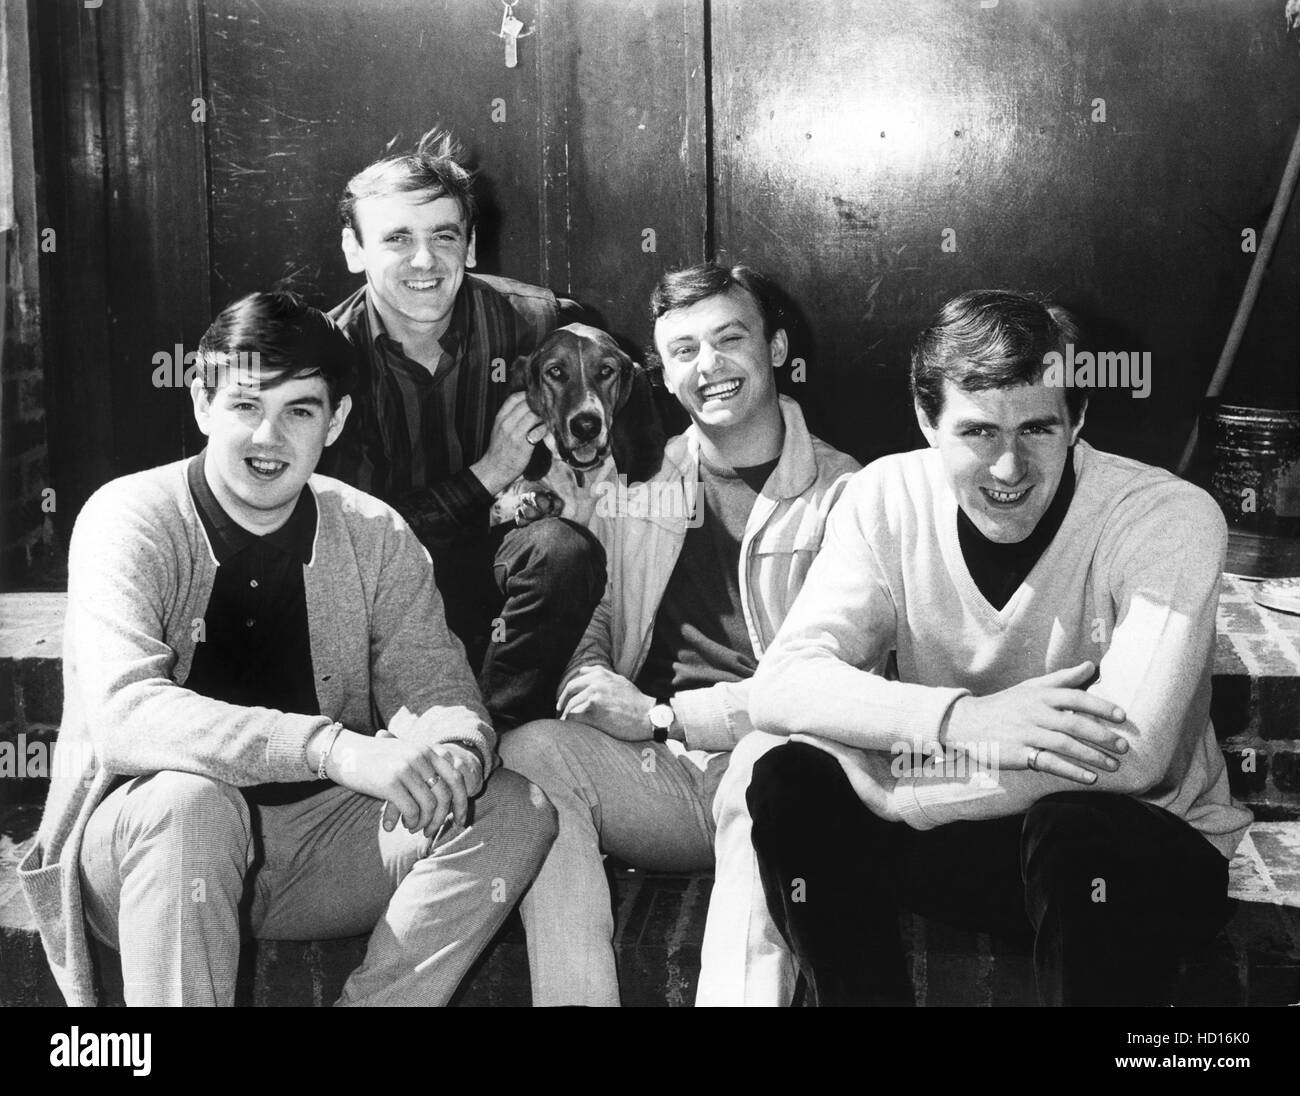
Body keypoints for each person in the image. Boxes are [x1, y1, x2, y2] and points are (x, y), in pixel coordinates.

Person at [697, 289, 1252, 1007]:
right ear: (928, 420)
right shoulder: (884, 497)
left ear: (1079, 418)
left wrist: (905, 793)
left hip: (1141, 857)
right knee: (787, 778)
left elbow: (1133, 756)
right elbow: (783, 684)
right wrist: (963, 721)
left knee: (1074, 828)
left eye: (1038, 429)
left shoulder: (1166, 515)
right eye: (979, 433)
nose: (1009, 468)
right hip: (977, 842)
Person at [18, 291, 557, 1007]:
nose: (267, 437)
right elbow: (127, 717)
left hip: (319, 849)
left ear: (334, 422)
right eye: (245, 405)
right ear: (202, 403)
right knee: (192, 801)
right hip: (148, 851)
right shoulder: (130, 518)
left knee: (513, 804)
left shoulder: (373, 531)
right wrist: (333, 748)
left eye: (299, 410)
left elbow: (442, 694)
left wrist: (453, 750)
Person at [499, 262, 860, 1005]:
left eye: (731, 339)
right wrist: (588, 682)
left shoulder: (847, 492)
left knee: (774, 768)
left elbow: (828, 687)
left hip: (770, 763)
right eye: (686, 352)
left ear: (777, 347)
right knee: (530, 750)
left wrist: (661, 715)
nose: (711, 366)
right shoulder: (640, 479)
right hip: (657, 772)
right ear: (663, 378)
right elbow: (597, 609)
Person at [324, 127, 604, 729]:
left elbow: (624, 417)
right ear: (354, 250)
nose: (424, 261)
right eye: (397, 238)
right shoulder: (326, 357)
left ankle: (498, 738)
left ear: (470, 246)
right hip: (384, 578)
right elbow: (352, 540)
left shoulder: (540, 324)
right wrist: (489, 474)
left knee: (563, 551)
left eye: (444, 236)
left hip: (509, 560)